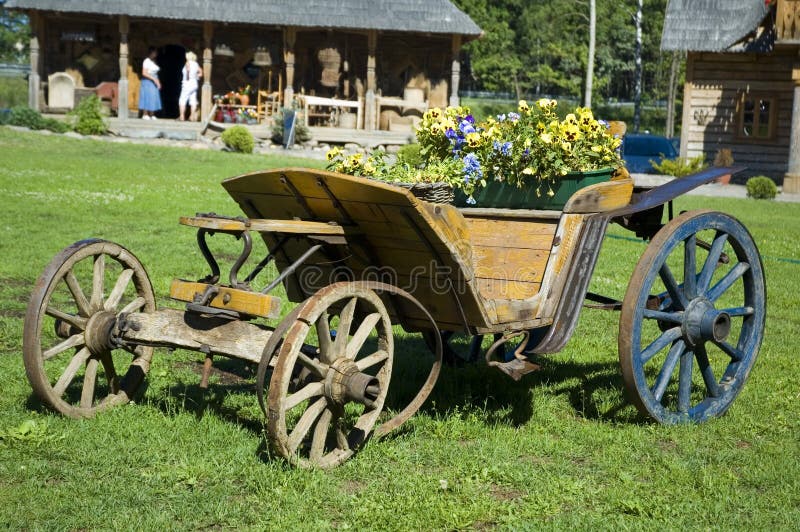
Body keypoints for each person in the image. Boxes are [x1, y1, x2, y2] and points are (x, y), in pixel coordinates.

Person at [138, 47, 162, 120]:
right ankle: (145, 114)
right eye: (155, 52)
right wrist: (154, 79)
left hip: (154, 80)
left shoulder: (154, 61)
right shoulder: (146, 61)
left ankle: (152, 114)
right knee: (147, 96)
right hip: (148, 81)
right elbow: (144, 73)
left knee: (153, 97)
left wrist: (158, 81)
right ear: (151, 53)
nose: (156, 54)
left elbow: (155, 73)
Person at [179, 51, 203, 121]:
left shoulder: (188, 62)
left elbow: (188, 69)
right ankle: (192, 116)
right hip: (194, 83)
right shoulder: (196, 64)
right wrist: (196, 76)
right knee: (193, 100)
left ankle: (182, 116)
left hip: (187, 83)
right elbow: (201, 73)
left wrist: (188, 76)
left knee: (182, 99)